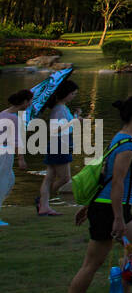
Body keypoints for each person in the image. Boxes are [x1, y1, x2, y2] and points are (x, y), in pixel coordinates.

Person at [62, 95, 132, 293]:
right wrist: (118, 218)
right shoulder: (127, 144)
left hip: (107, 205)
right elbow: (117, 182)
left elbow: (106, 175)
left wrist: (89, 206)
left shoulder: (123, 138)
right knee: (91, 265)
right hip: (110, 208)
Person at [38, 78, 79, 216]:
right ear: (66, 93)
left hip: (60, 143)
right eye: (73, 93)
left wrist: (75, 117)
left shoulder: (62, 107)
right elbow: (55, 129)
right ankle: (42, 201)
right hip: (60, 144)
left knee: (49, 177)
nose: (74, 96)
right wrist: (74, 121)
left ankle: (43, 204)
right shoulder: (59, 109)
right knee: (65, 178)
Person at [0, 89, 33, 227]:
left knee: (10, 180)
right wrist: (21, 159)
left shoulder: (3, 113)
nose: (31, 104)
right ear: (24, 102)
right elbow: (17, 141)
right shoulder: (14, 118)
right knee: (4, 183)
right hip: (5, 153)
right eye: (30, 101)